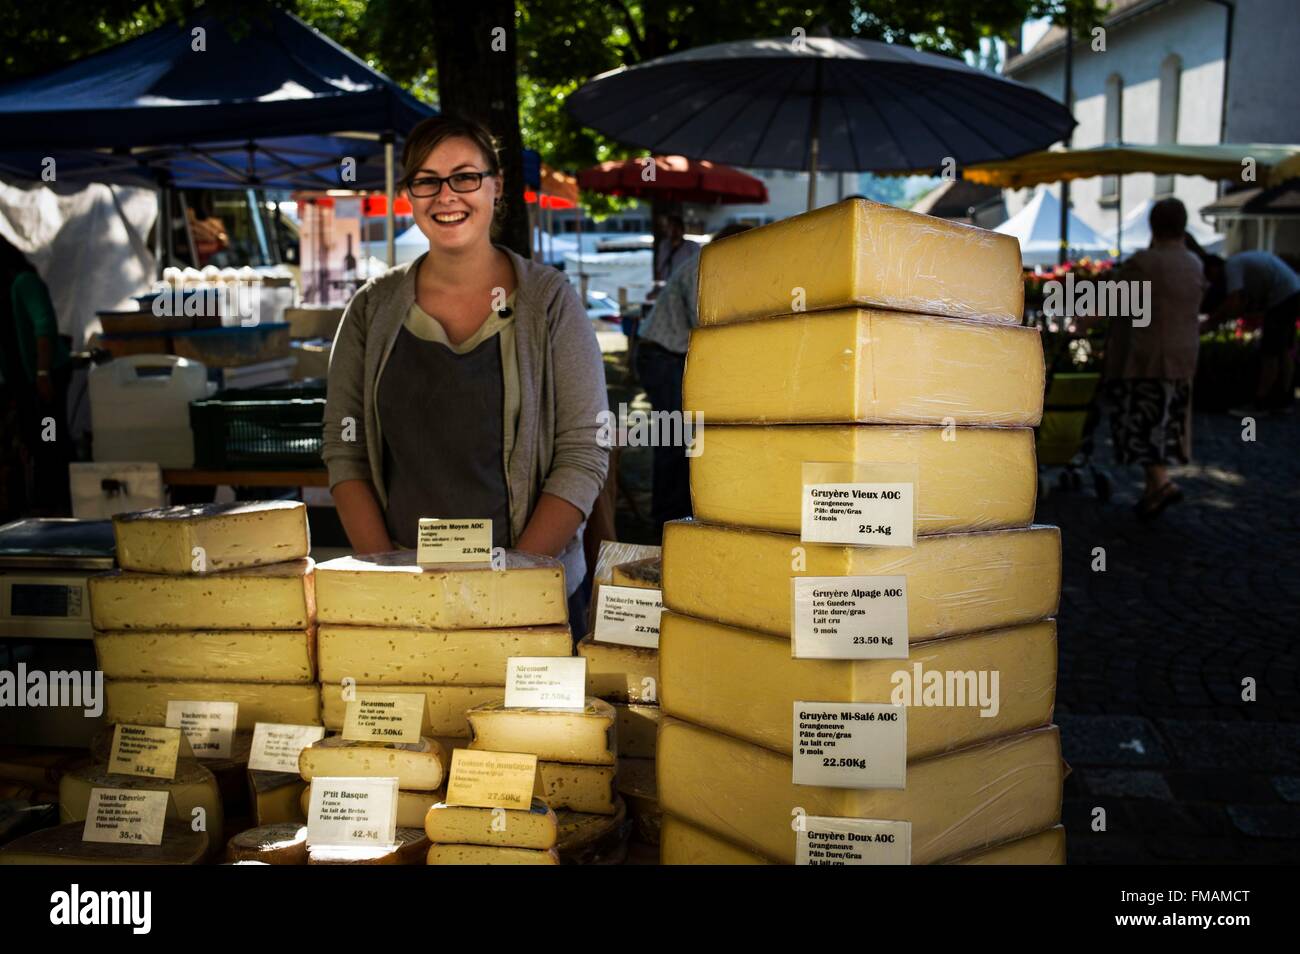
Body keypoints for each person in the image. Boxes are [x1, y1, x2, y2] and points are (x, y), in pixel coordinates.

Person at [322, 116, 609, 640]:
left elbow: (584, 451)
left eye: (465, 177)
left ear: (496, 187)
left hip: (531, 600)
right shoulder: (371, 308)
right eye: (426, 180)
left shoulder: (549, 301)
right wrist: (389, 573)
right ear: (409, 194)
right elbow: (346, 452)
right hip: (406, 603)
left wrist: (516, 580)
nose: (446, 195)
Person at [636, 222, 752, 532]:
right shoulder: (705, 269)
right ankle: (667, 524)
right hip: (664, 357)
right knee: (676, 439)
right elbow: (708, 325)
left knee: (683, 438)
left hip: (671, 356)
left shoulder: (711, 267)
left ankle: (677, 518)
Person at [1101, 198, 1206, 521]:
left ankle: (1161, 483)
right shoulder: (1194, 262)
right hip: (1183, 356)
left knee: (1144, 421)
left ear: (1152, 225)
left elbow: (1111, 302)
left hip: (1146, 357)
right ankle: (1152, 491)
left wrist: (1078, 324)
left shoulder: (1144, 263)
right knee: (1165, 419)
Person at [0, 235, 72, 516]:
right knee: (33, 438)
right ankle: (40, 494)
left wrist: (42, 372)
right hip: (21, 379)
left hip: (44, 376)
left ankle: (54, 497)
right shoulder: (5, 289)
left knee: (49, 433)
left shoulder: (24, 283)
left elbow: (44, 326)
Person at [1202, 250, 1300, 413]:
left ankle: (1260, 403)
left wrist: (1210, 322)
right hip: (1292, 292)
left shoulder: (1232, 267)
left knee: (1270, 351)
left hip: (1283, 297)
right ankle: (1284, 399)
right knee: (1284, 349)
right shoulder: (1240, 264)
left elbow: (1234, 302)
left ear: (1213, 268)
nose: (1212, 282)